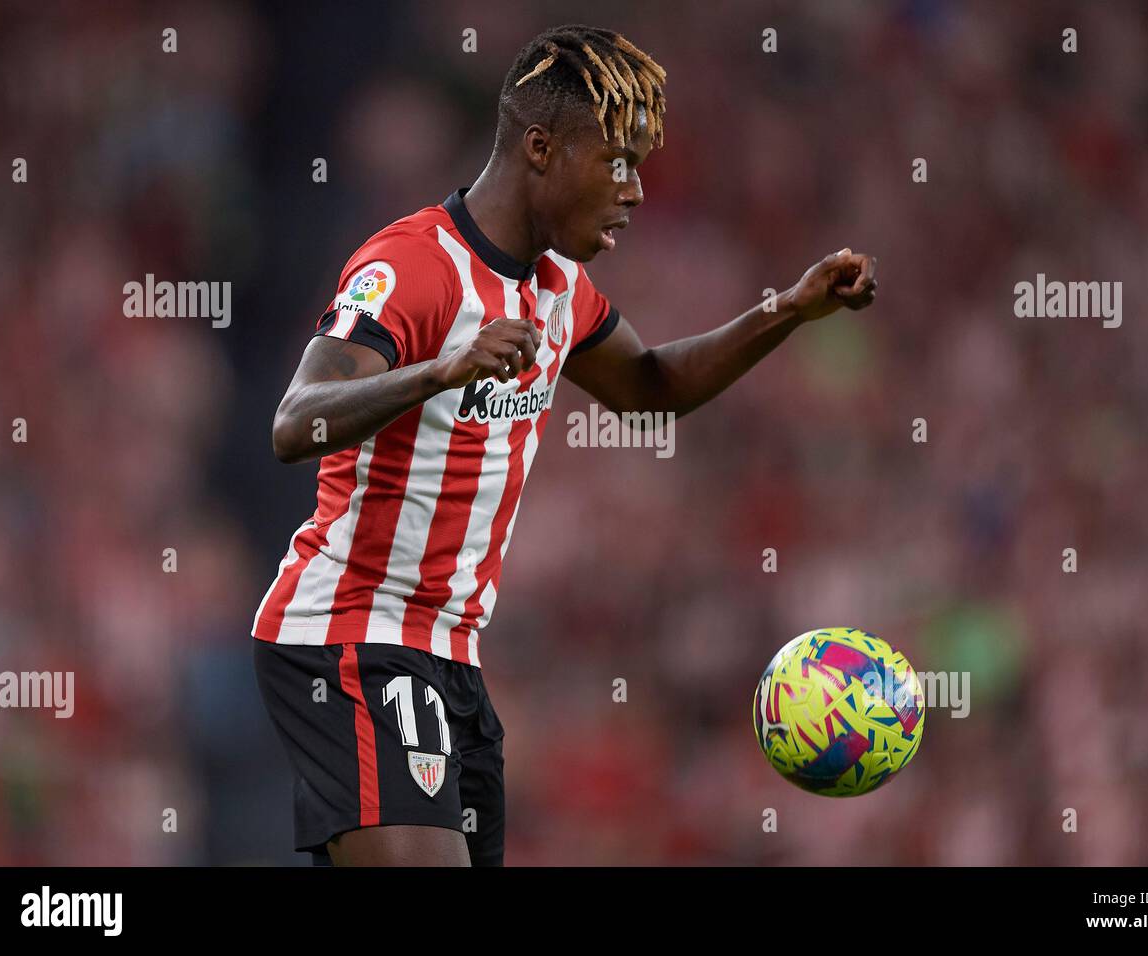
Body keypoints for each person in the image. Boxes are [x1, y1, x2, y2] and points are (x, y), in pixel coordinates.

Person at [252, 23, 877, 866]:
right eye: (617, 161)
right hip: (353, 635)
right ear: (541, 148)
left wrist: (788, 311)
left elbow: (654, 387)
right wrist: (436, 372)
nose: (635, 191)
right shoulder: (413, 265)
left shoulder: (558, 289)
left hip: (452, 661)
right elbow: (298, 422)